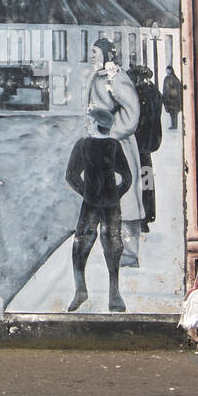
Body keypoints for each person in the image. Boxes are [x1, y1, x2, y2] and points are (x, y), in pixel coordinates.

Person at [65, 106, 132, 313]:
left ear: (95, 124)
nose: (87, 123)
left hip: (91, 206)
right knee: (113, 248)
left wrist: (87, 193)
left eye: (89, 120)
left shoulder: (83, 145)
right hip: (111, 206)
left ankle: (81, 291)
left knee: (79, 248)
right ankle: (114, 296)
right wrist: (115, 193)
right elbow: (127, 177)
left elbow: (71, 175)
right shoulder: (114, 145)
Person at [84, 39, 144, 266]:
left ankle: (129, 254)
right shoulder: (96, 76)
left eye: (95, 52)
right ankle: (111, 249)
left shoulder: (116, 77)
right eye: (91, 52)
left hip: (119, 147)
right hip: (100, 146)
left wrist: (109, 130)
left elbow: (131, 113)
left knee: (125, 197)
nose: (91, 56)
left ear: (107, 55)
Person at [129, 65, 163, 233]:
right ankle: (148, 215)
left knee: (137, 179)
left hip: (138, 143)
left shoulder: (140, 94)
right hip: (148, 144)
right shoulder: (155, 92)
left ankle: (141, 217)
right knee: (147, 179)